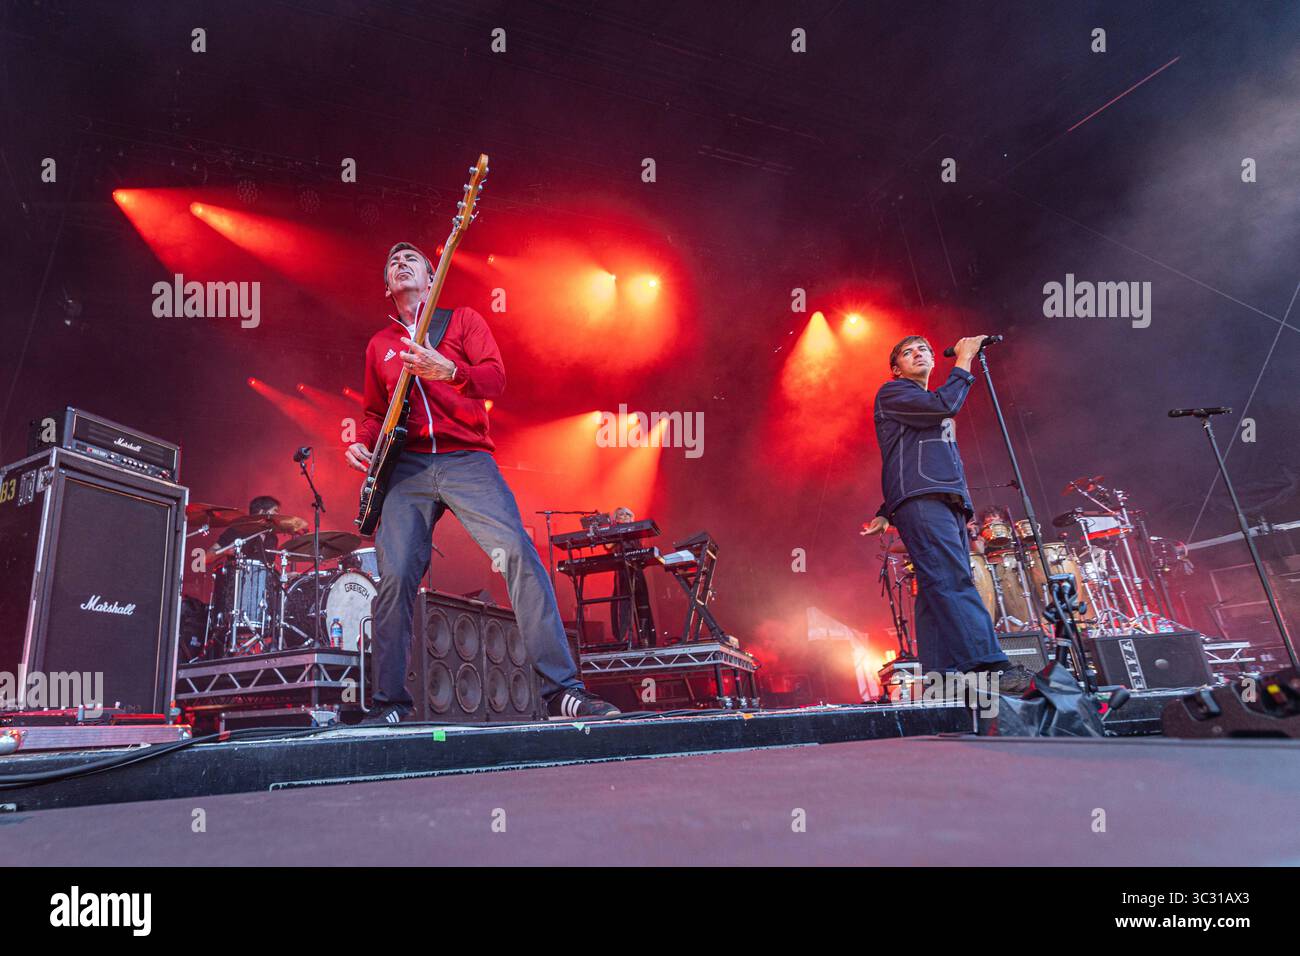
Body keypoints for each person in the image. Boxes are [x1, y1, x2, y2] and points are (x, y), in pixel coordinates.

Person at [345, 241, 620, 723]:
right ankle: (390, 703)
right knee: (393, 578)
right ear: (386, 287)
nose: (400, 264)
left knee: (516, 550)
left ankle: (562, 691)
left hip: (465, 458)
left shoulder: (462, 322)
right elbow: (374, 412)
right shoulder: (378, 345)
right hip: (405, 468)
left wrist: (449, 370)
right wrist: (361, 441)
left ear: (431, 279)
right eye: (392, 262)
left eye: (412, 260)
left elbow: (495, 380)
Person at [861, 335, 1033, 693]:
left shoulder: (920, 403)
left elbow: (903, 455)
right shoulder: (893, 393)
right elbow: (946, 404)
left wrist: (886, 510)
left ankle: (943, 679)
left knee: (936, 588)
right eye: (907, 352)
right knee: (953, 580)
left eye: (922, 348)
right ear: (896, 369)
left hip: (939, 500)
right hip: (925, 501)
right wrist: (965, 360)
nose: (918, 353)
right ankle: (990, 668)